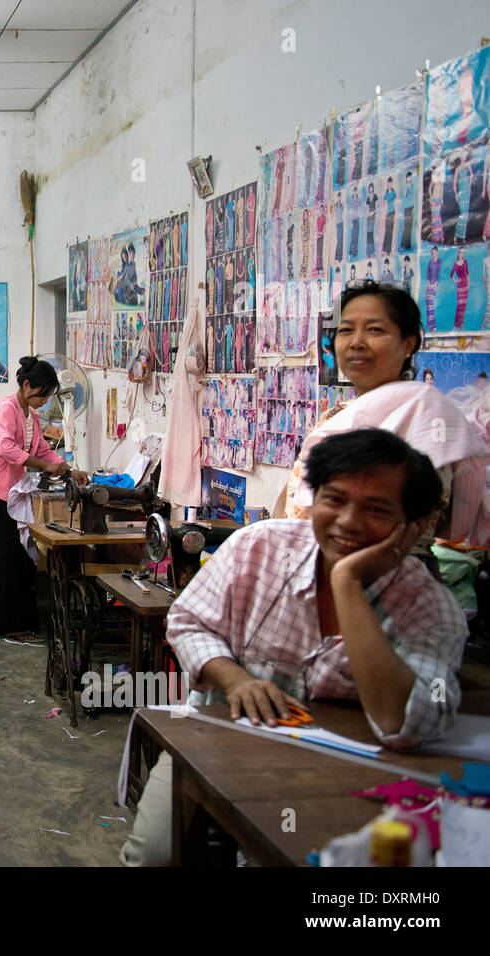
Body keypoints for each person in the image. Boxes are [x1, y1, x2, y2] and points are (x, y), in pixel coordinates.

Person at [121, 429, 465, 866]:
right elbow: (188, 620)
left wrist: (347, 585)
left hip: (342, 774)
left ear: (412, 527)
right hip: (220, 739)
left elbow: (408, 723)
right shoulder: (258, 547)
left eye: (377, 509)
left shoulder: (430, 610)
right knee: (156, 853)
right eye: (334, 500)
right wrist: (236, 678)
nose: (348, 522)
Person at [281, 281, 490, 549]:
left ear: (408, 344)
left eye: (375, 330)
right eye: (346, 330)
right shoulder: (339, 414)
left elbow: (405, 531)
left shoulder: (424, 415)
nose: (356, 342)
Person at [0, 357, 89, 635]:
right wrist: (45, 466)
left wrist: (68, 470)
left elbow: (42, 451)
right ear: (26, 385)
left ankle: (21, 621)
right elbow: (6, 448)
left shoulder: (32, 416)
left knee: (20, 558)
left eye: (48, 397)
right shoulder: (6, 409)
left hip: (17, 494)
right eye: (42, 395)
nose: (44, 402)